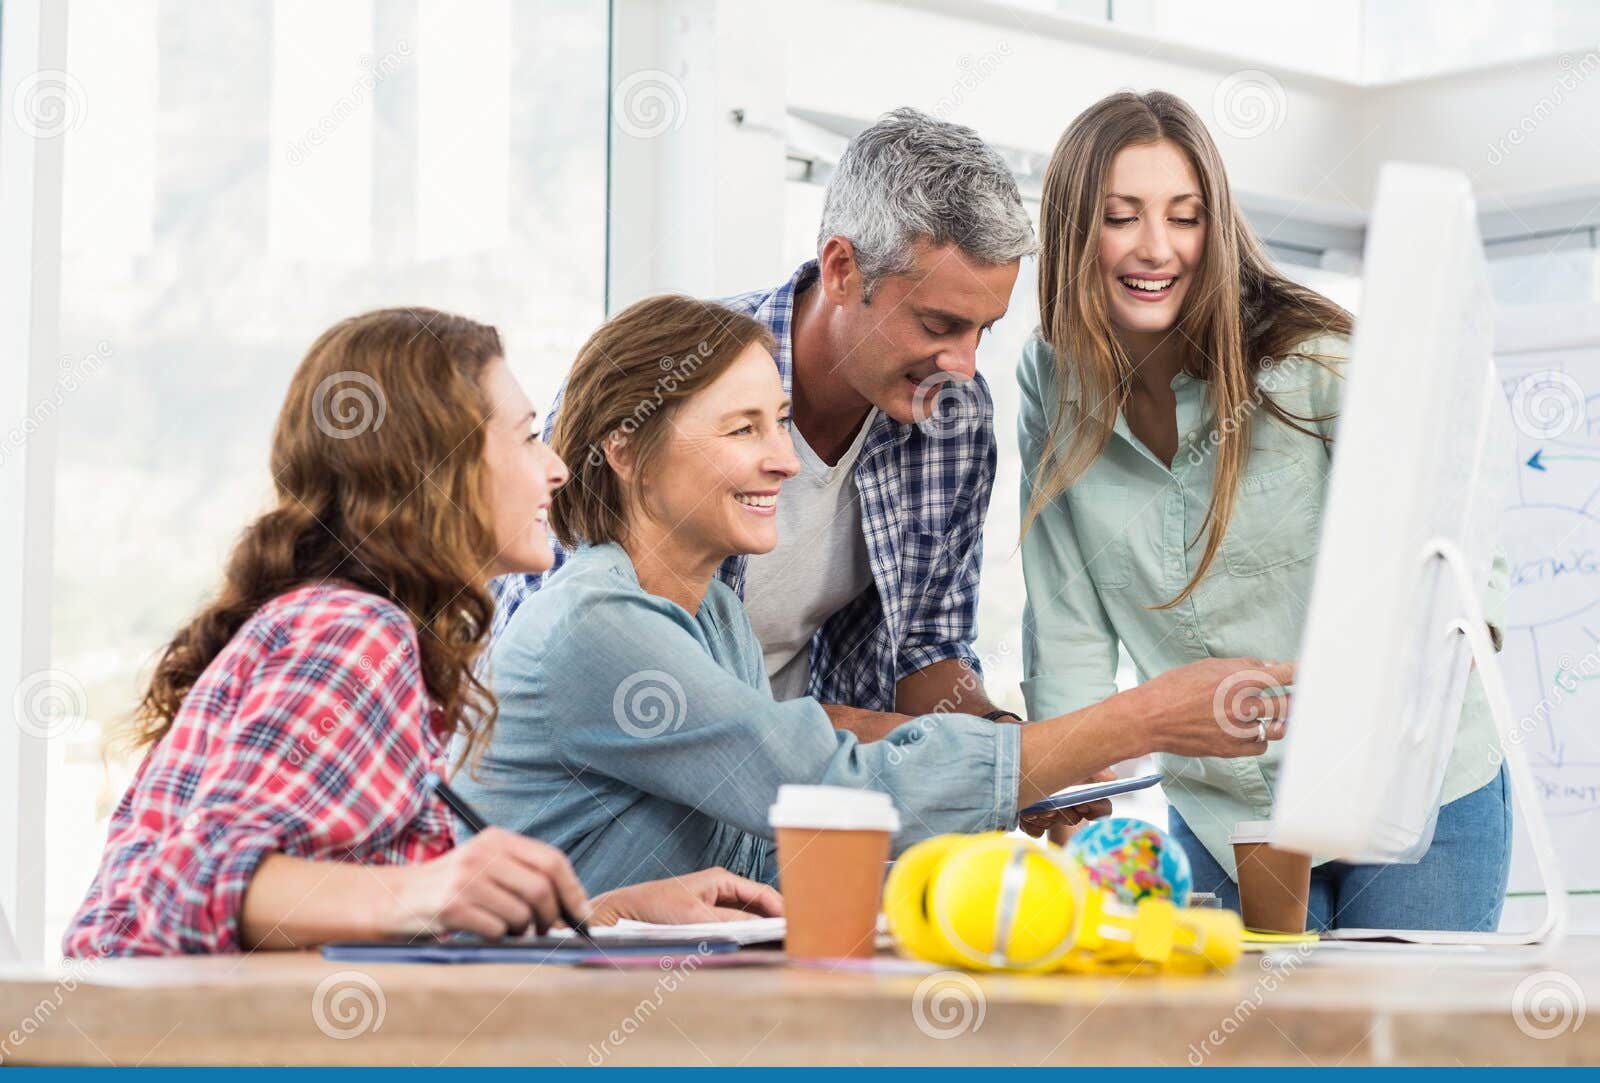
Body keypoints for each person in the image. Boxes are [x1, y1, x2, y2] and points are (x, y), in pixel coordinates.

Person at [457, 293, 1293, 894]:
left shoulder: (708, 610)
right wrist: (1138, 717)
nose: (785, 460)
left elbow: (759, 841)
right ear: (628, 451)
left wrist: (976, 867)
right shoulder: (599, 623)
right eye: (743, 428)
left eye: (780, 422)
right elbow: (830, 785)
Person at [64, 308, 781, 957]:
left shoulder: (366, 631)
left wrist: (611, 914)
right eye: (529, 438)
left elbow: (350, 927)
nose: (558, 468)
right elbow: (175, 887)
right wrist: (430, 888)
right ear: (444, 467)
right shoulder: (352, 631)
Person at [1018, 90, 1510, 931]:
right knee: (1252, 1056)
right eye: (1120, 216)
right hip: (1225, 810)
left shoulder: (1311, 359)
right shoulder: (1052, 377)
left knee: (1396, 1055)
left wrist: (1435, 656)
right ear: (1072, 231)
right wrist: (1076, 781)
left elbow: (1457, 533)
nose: (1156, 248)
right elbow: (1064, 604)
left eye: (1185, 216)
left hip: (1414, 792)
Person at [491, 108, 1037, 741]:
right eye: (939, 326)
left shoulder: (955, 414)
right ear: (841, 269)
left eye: (983, 330)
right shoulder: (667, 377)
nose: (964, 366)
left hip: (783, 801)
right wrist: (980, 760)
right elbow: (574, 656)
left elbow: (924, 646)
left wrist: (1006, 740)